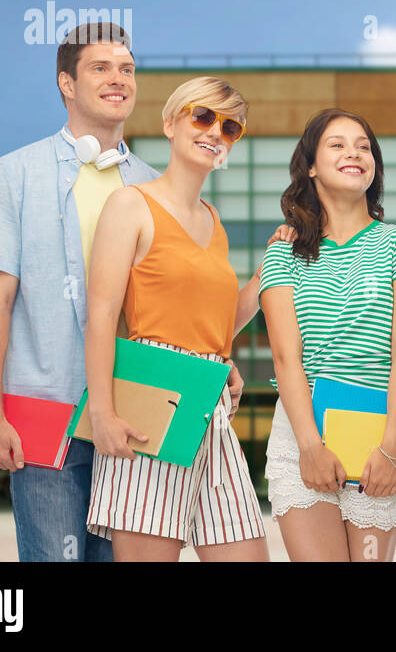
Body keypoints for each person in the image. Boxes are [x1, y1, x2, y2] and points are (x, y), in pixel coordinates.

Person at [0, 22, 157, 562]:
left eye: (126, 69)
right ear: (66, 84)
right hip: (44, 411)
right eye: (100, 68)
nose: (117, 79)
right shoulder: (13, 174)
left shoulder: (150, 185)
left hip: (131, 416)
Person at [83, 76, 283, 562]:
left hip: (209, 406)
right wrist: (103, 413)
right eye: (203, 116)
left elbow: (215, 323)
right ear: (170, 122)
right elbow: (101, 317)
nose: (216, 131)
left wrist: (265, 272)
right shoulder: (130, 204)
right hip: (152, 400)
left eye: (230, 126)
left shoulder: (214, 222)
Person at [258, 108, 396, 562]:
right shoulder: (283, 253)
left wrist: (393, 447)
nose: (354, 152)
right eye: (337, 144)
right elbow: (285, 360)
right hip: (303, 433)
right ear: (311, 165)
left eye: (363, 146)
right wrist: (311, 447)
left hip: (382, 432)